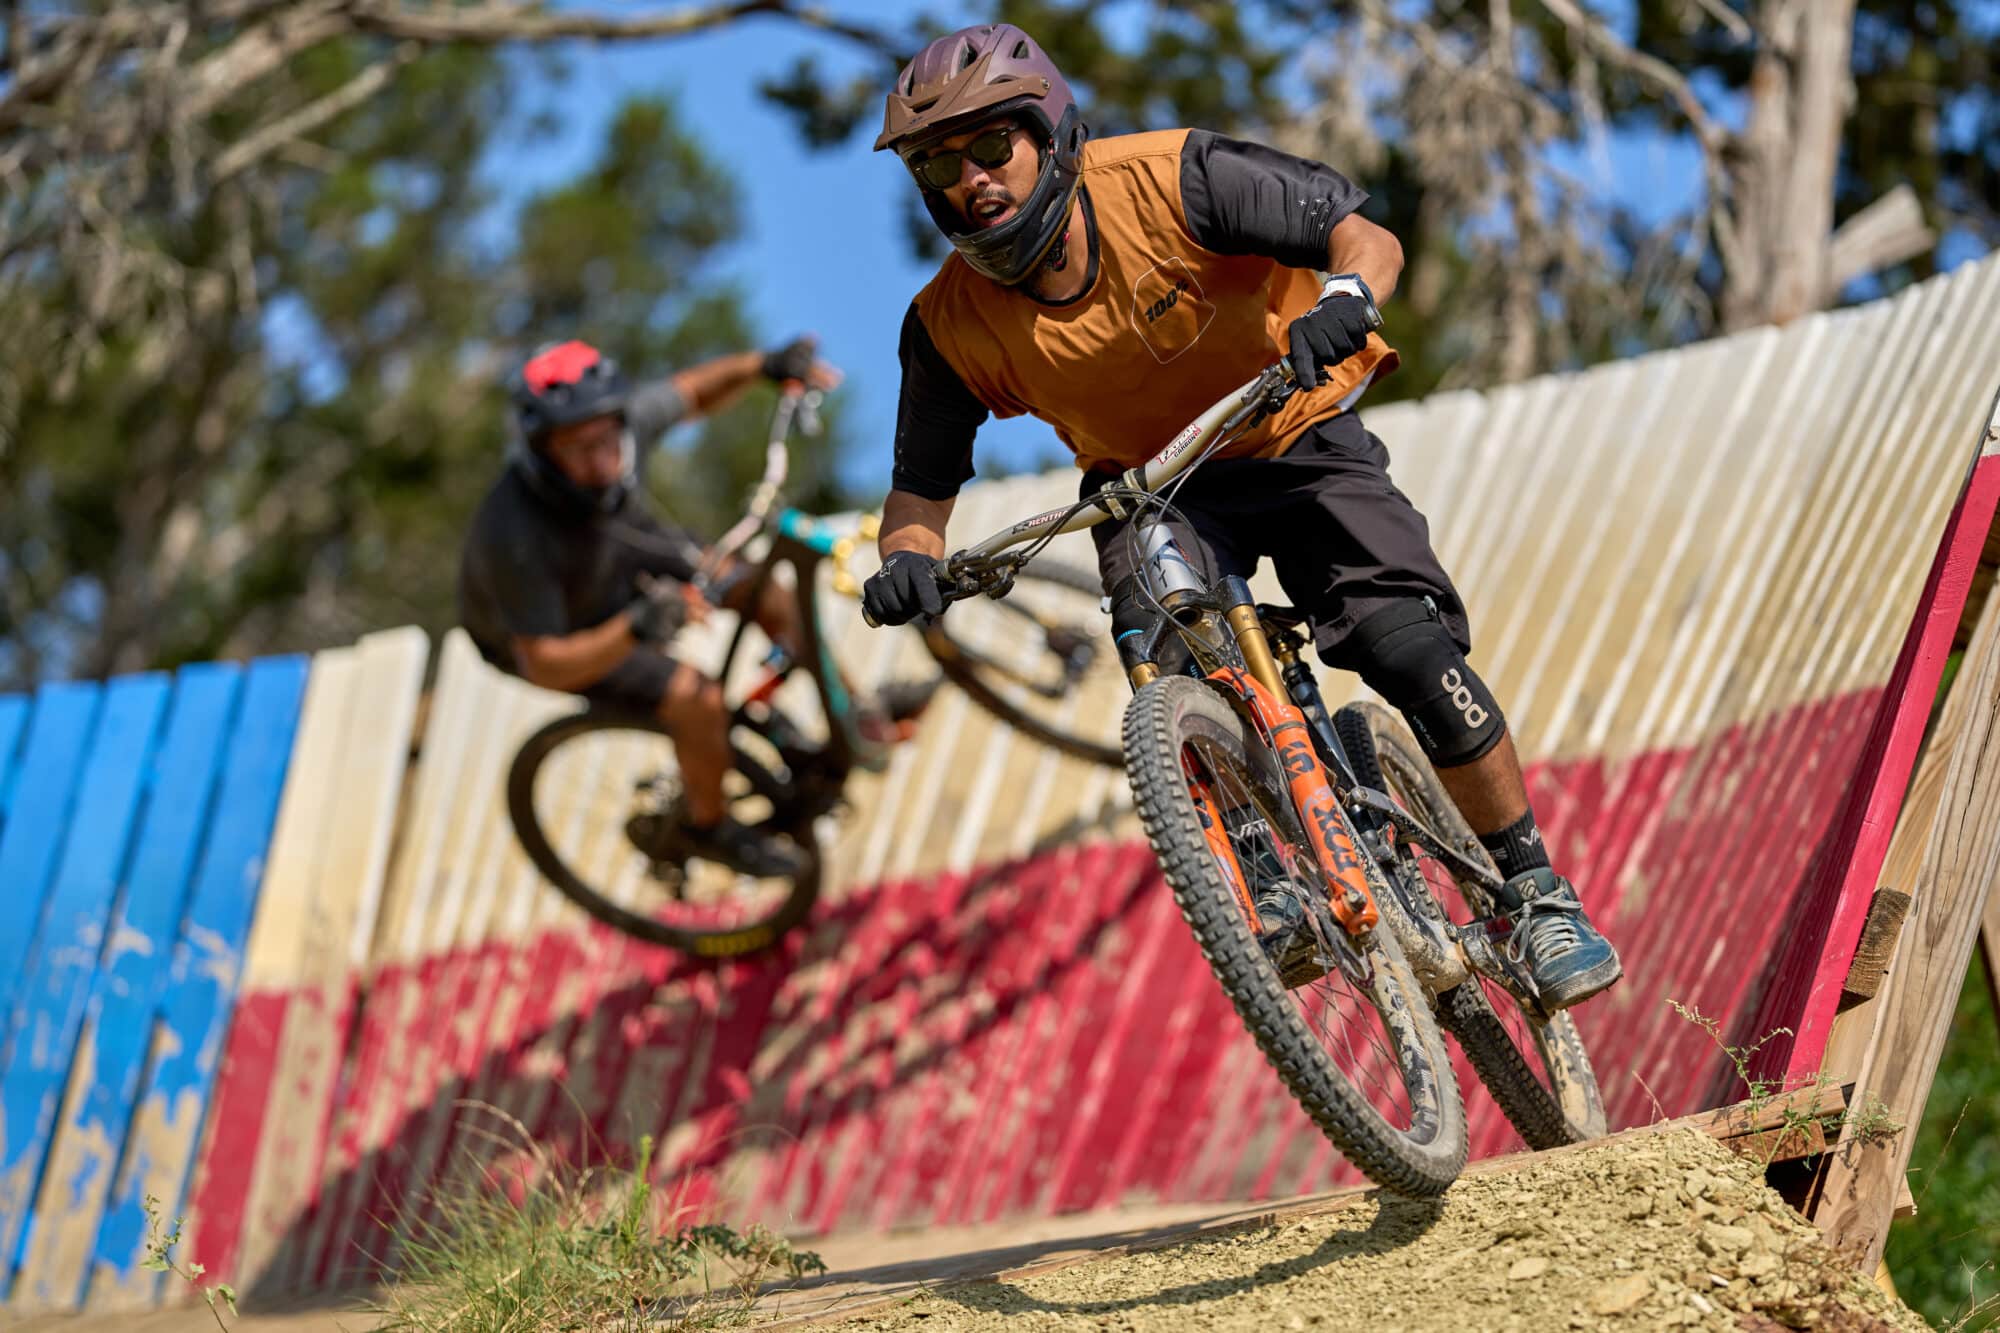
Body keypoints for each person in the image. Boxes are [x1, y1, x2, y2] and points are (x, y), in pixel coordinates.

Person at [857, 24, 1621, 1011]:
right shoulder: (945, 324)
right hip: (1148, 486)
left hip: (1288, 435)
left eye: (986, 149)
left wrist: (1345, 298)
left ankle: (1534, 892)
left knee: (1406, 653)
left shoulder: (1173, 178)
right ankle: (1262, 872)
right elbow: (918, 492)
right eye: (935, 165)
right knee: (1163, 648)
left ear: (1048, 135)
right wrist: (906, 559)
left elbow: (1363, 237)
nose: (967, 181)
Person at [458, 335, 847, 878]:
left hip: (622, 552)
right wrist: (633, 629)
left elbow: (692, 392)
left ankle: (849, 721)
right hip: (563, 633)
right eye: (580, 449)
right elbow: (542, 661)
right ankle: (707, 827)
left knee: (764, 592)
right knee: (698, 700)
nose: (603, 460)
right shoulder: (513, 534)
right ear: (542, 452)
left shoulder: (617, 427)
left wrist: (762, 364)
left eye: (607, 439)